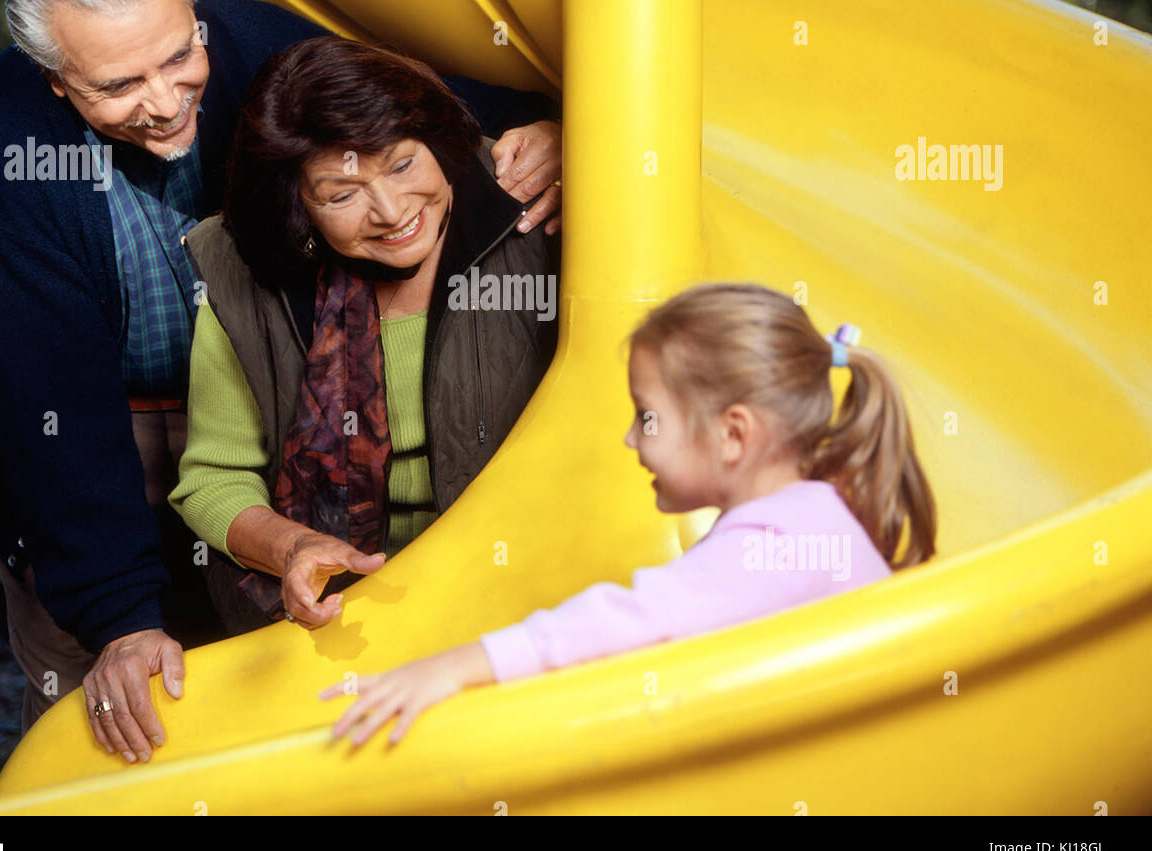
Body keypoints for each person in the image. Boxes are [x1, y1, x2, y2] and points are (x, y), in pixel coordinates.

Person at [0, 0, 564, 762]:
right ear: (57, 80)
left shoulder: (255, 45)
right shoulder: (10, 148)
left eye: (178, 57)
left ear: (194, 11)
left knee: (258, 704)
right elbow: (44, 401)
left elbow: (409, 105)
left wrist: (547, 124)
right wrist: (119, 616)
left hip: (268, 402)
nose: (164, 104)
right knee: (117, 712)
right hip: (104, 435)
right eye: (119, 87)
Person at [320, 282, 938, 745]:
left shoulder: (779, 539)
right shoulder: (808, 515)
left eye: (647, 417)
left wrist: (459, 665)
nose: (630, 440)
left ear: (733, 435)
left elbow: (639, 619)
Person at [170, 35, 561, 638]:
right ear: (297, 207)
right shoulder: (241, 268)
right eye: (343, 194)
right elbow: (214, 479)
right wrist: (293, 546)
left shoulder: (530, 193)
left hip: (524, 597)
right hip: (342, 621)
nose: (391, 209)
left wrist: (587, 144)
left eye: (403, 164)